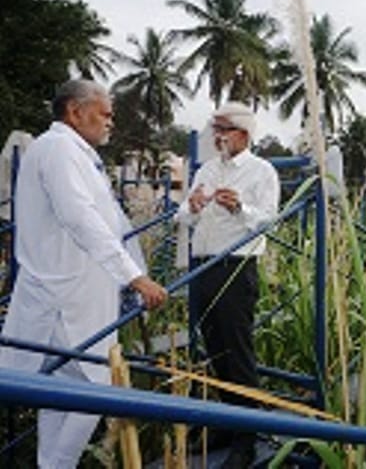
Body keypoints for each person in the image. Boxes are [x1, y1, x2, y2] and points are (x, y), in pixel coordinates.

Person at [0, 79, 167, 468]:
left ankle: (51, 464)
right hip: (65, 297)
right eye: (105, 113)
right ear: (75, 111)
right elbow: (80, 217)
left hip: (78, 295)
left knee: (63, 389)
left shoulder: (77, 153)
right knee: (93, 389)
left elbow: (109, 220)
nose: (111, 121)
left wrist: (132, 271)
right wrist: (134, 277)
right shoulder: (59, 149)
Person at [176, 102, 280, 466]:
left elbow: (270, 221)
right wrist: (194, 205)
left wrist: (241, 209)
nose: (216, 136)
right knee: (215, 348)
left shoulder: (261, 171)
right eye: (214, 129)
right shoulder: (206, 168)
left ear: (243, 135)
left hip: (237, 269)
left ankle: (246, 438)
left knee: (237, 351)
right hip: (203, 266)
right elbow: (182, 218)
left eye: (223, 130)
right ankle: (227, 421)